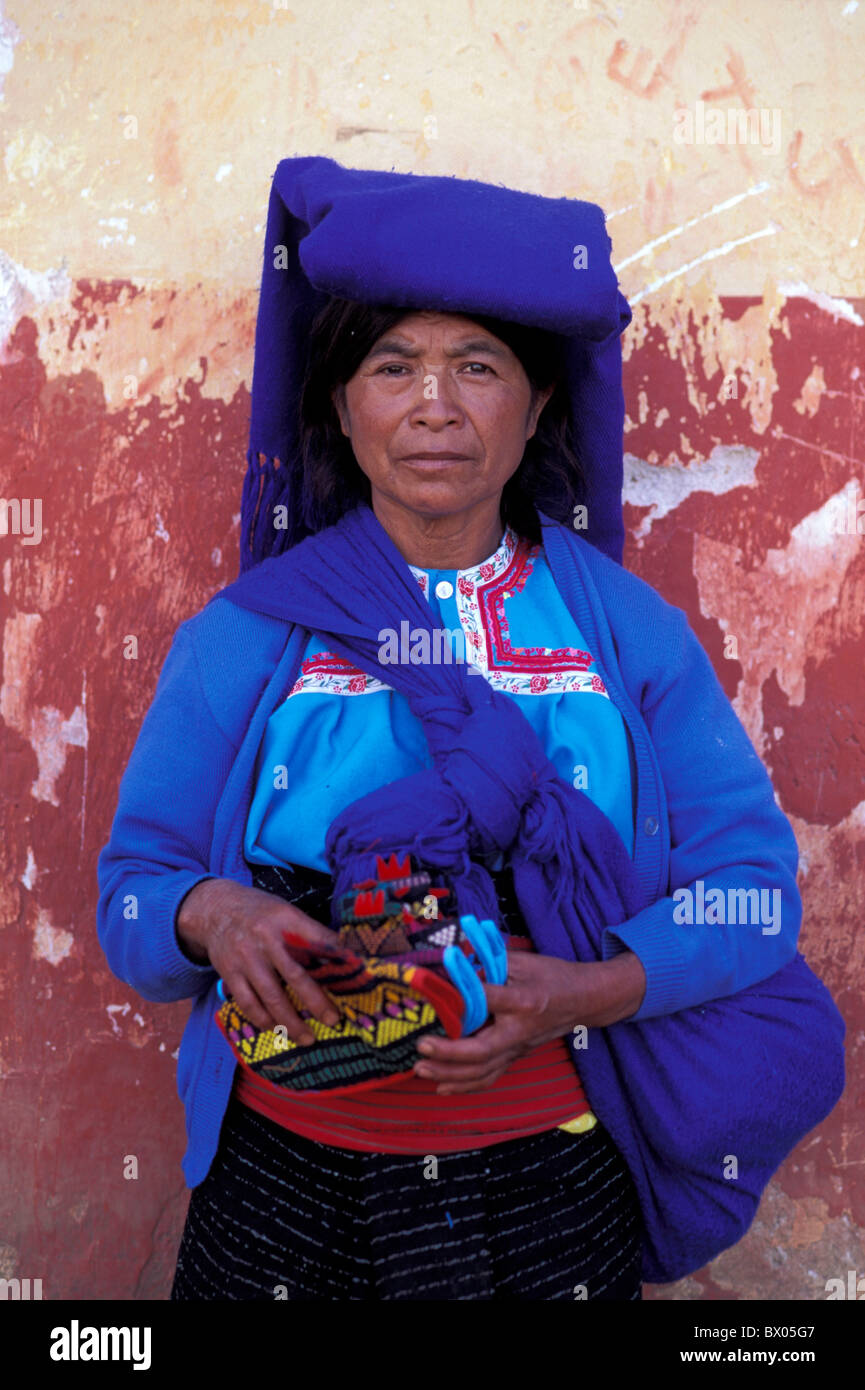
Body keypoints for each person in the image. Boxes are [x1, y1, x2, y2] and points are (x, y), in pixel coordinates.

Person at [96, 158, 818, 1301]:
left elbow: (753, 893)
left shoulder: (624, 634)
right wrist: (211, 909)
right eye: (393, 366)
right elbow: (133, 892)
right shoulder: (246, 637)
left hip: (547, 1187)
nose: (434, 404)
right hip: (282, 1190)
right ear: (341, 404)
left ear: (535, 409)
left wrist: (585, 992)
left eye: (476, 366)